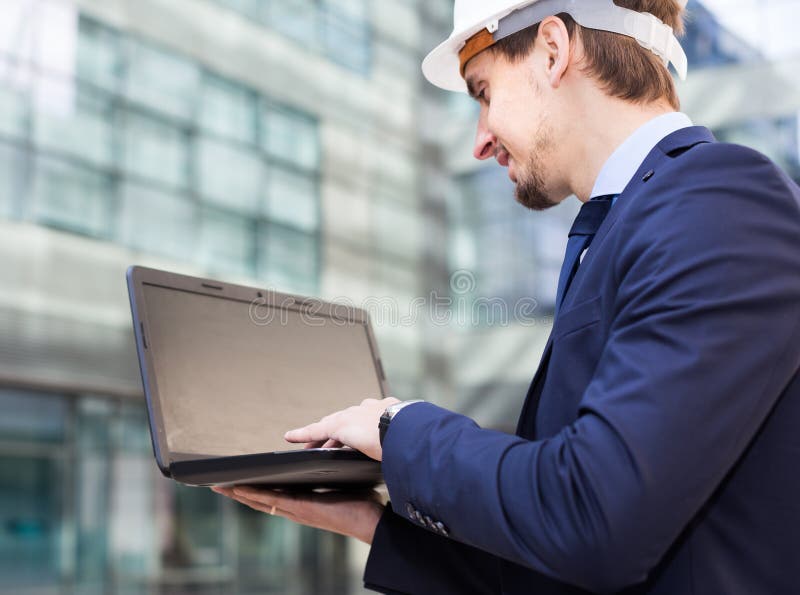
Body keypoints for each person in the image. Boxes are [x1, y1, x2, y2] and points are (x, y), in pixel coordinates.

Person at [213, 0, 800, 593]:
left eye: (484, 92)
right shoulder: (642, 220)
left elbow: (594, 519)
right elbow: (578, 552)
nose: (480, 140)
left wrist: (401, 429)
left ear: (552, 50)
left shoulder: (720, 200)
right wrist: (372, 521)